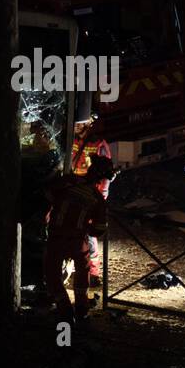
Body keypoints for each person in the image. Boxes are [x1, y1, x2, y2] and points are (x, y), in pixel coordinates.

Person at [42, 155, 113, 324]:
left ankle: (65, 311)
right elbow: (99, 230)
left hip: (56, 238)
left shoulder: (67, 181)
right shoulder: (97, 199)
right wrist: (85, 226)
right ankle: (81, 311)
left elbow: (47, 196)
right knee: (82, 273)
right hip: (77, 241)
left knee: (52, 275)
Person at [70, 112, 113, 287]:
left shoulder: (99, 144)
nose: (76, 126)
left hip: (90, 195)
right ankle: (74, 268)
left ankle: (93, 272)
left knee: (88, 232)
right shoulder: (70, 141)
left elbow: (105, 174)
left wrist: (101, 196)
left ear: (89, 123)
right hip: (72, 192)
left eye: (80, 123)